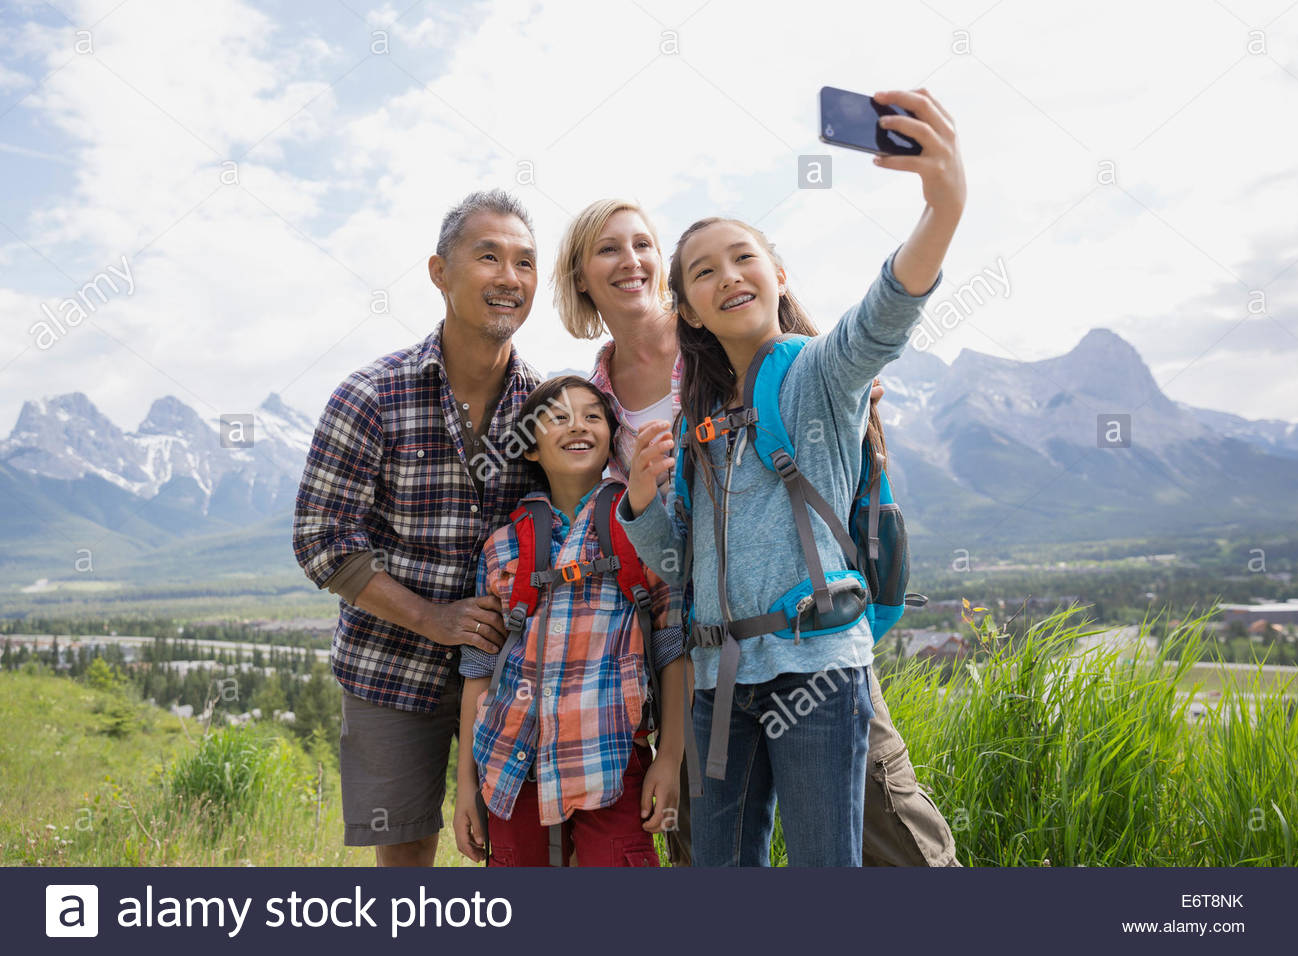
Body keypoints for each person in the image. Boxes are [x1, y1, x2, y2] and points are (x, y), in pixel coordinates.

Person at [553, 184, 959, 861]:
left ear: (778, 274)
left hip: (816, 666)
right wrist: (643, 503)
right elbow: (676, 559)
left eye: (743, 258)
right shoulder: (690, 419)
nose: (729, 276)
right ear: (688, 310)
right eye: (706, 271)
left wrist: (943, 207)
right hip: (716, 678)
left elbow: (882, 317)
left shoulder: (813, 371)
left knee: (848, 848)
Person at [292, 189, 542, 866]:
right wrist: (433, 618)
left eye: (524, 262)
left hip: (509, 675)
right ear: (439, 272)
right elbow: (321, 540)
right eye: (488, 256)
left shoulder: (545, 409)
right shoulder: (371, 395)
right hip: (390, 672)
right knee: (404, 869)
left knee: (527, 854)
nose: (509, 277)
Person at [450, 377, 686, 866]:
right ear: (530, 448)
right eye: (557, 417)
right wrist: (466, 786)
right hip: (511, 772)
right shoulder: (503, 546)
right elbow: (478, 669)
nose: (577, 426)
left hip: (613, 767)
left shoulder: (639, 525)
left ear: (610, 438)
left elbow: (671, 647)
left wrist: (670, 759)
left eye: (593, 416)